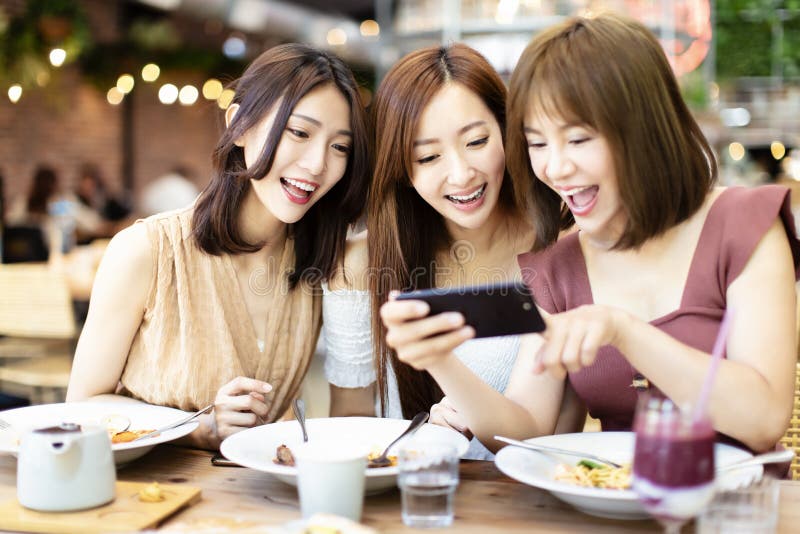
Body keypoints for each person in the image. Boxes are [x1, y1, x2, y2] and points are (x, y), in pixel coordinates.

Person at [381, 13, 800, 454]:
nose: (555, 168)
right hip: (607, 510)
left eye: (578, 139)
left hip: (732, 513)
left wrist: (624, 331)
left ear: (644, 128)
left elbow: (764, 419)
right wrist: (440, 360)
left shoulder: (744, 224)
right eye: (538, 143)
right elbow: (527, 430)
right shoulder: (557, 266)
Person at [66, 43, 369, 450]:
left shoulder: (322, 262)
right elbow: (81, 406)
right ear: (240, 125)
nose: (317, 164)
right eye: (299, 132)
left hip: (258, 501)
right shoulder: (147, 251)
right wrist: (200, 427)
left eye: (340, 147)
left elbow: (352, 413)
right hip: (147, 501)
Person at [322, 44, 535, 459]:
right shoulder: (360, 265)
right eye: (429, 156)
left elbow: (554, 431)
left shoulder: (555, 250)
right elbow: (350, 424)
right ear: (401, 168)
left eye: (476, 141)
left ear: (507, 130)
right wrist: (420, 440)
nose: (460, 173)